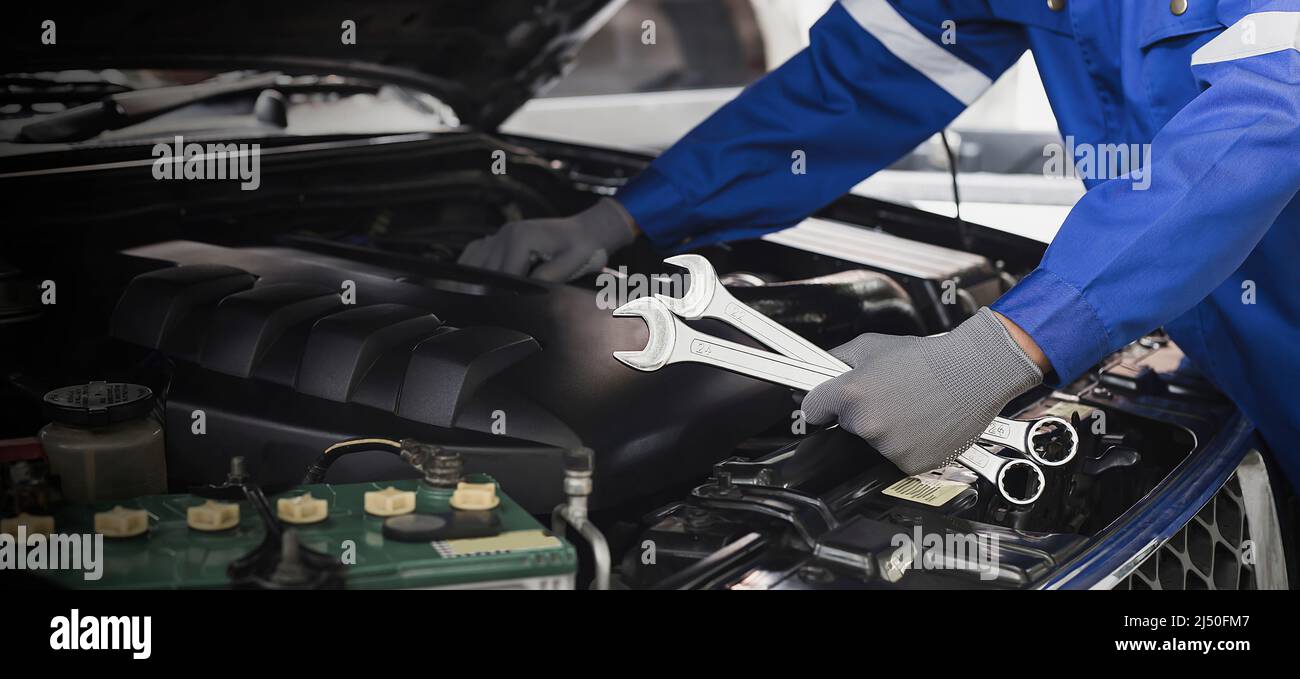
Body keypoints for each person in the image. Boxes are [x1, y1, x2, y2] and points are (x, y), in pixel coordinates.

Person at [460, 0, 1300, 487]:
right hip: (1239, 347)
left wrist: (1003, 348)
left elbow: (1271, 116)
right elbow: (856, 84)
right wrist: (620, 222)